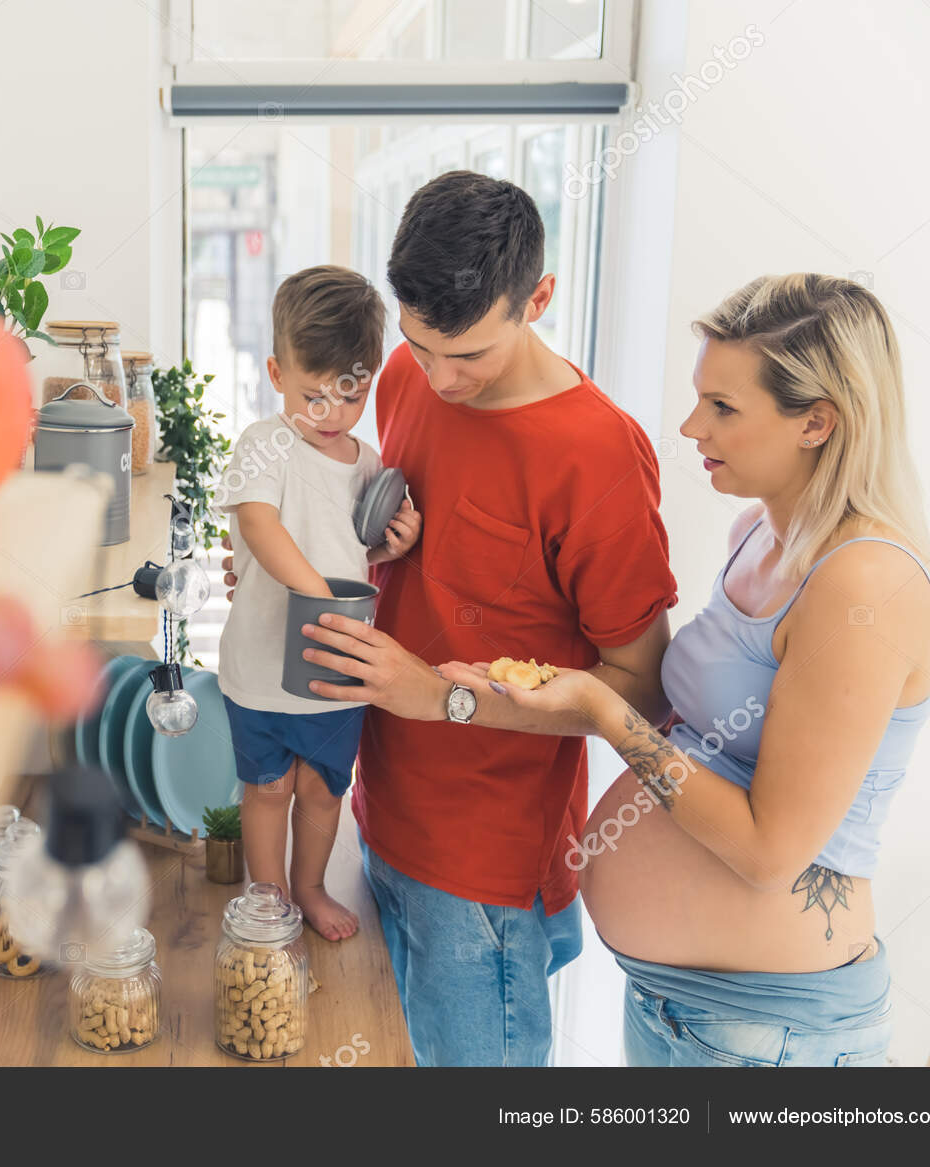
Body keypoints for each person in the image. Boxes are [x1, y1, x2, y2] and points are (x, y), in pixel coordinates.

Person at [299, 274, 930, 1068]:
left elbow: (768, 848)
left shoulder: (864, 584)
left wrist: (604, 712)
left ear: (818, 421)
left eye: (724, 409)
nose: (689, 425)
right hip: (678, 1005)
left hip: (773, 1030)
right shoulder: (760, 534)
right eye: (701, 396)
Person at [224, 173, 677, 1065]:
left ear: (538, 298)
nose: (437, 377)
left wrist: (441, 697)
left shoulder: (600, 456)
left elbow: (639, 687)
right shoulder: (397, 376)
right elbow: (377, 537)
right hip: (369, 804)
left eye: (466, 354)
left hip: (480, 876)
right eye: (419, 344)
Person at [216, 266, 421, 943]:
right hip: (260, 667)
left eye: (350, 395)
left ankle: (308, 884)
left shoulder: (366, 462)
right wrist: (315, 590)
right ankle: (268, 892)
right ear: (276, 373)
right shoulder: (265, 445)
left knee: (322, 789)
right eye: (313, 395)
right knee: (269, 787)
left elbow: (356, 553)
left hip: (336, 672)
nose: (330, 413)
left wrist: (396, 544)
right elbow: (258, 525)